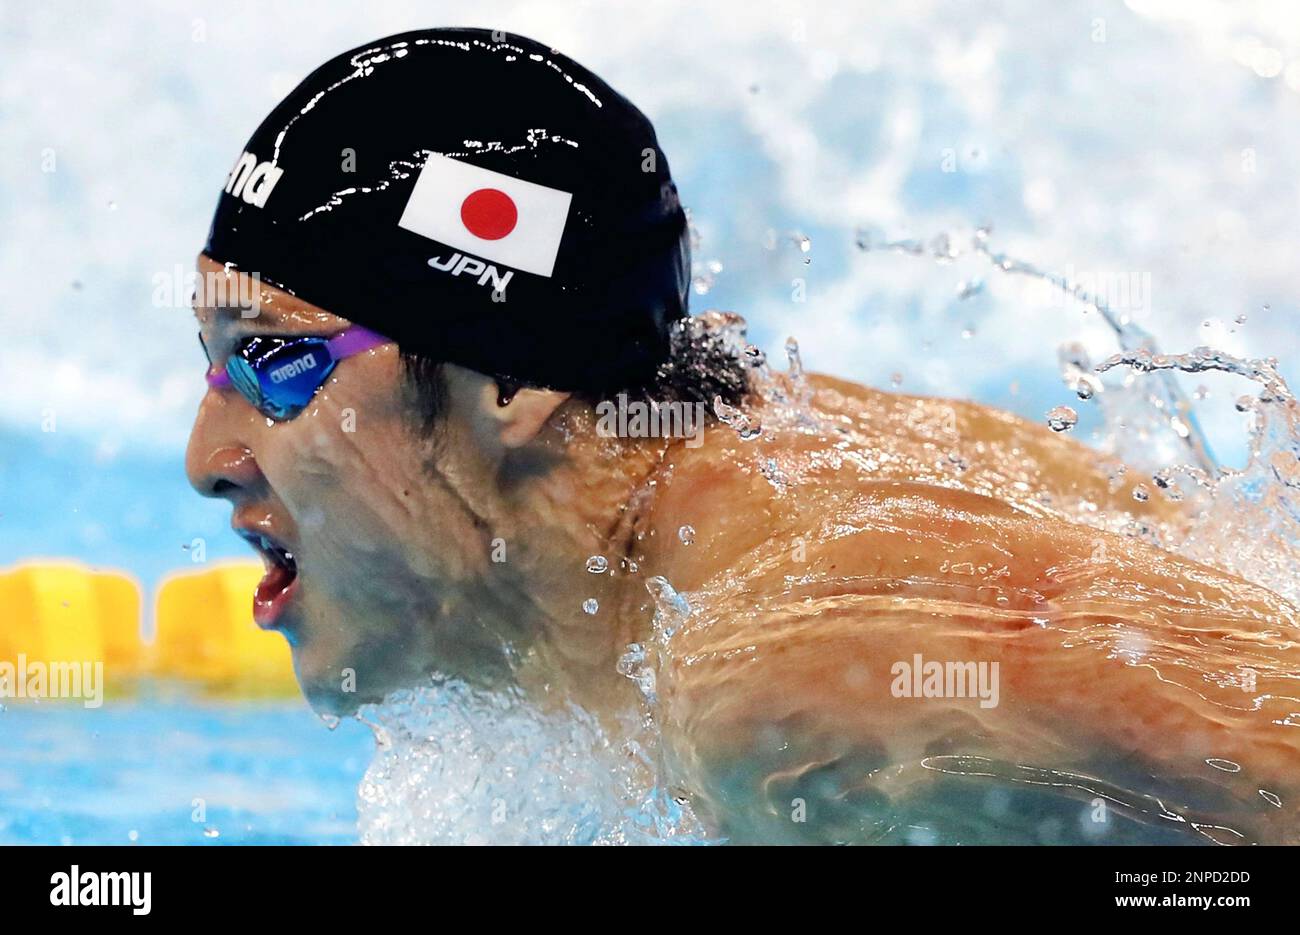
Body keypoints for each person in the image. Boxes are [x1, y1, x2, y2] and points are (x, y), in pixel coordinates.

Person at [189, 27, 1299, 844]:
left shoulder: (791, 700)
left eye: (274, 363)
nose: (205, 457)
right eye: (209, 364)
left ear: (515, 378)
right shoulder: (746, 453)